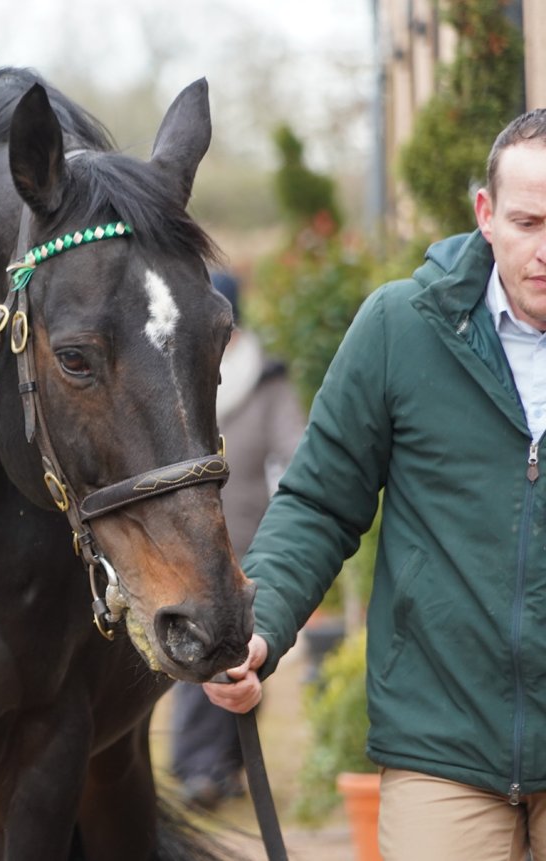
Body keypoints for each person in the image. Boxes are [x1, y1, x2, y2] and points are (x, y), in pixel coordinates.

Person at [205, 109, 546, 860]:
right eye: (528, 222)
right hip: (442, 744)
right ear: (486, 215)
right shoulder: (401, 328)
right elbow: (320, 502)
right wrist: (259, 624)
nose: (544, 249)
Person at [169, 271, 306, 811]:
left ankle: (222, 766)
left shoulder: (267, 383)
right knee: (201, 650)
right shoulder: (174, 377)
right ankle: (199, 765)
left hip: (250, 543)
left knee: (243, 655)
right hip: (187, 545)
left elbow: (295, 450)